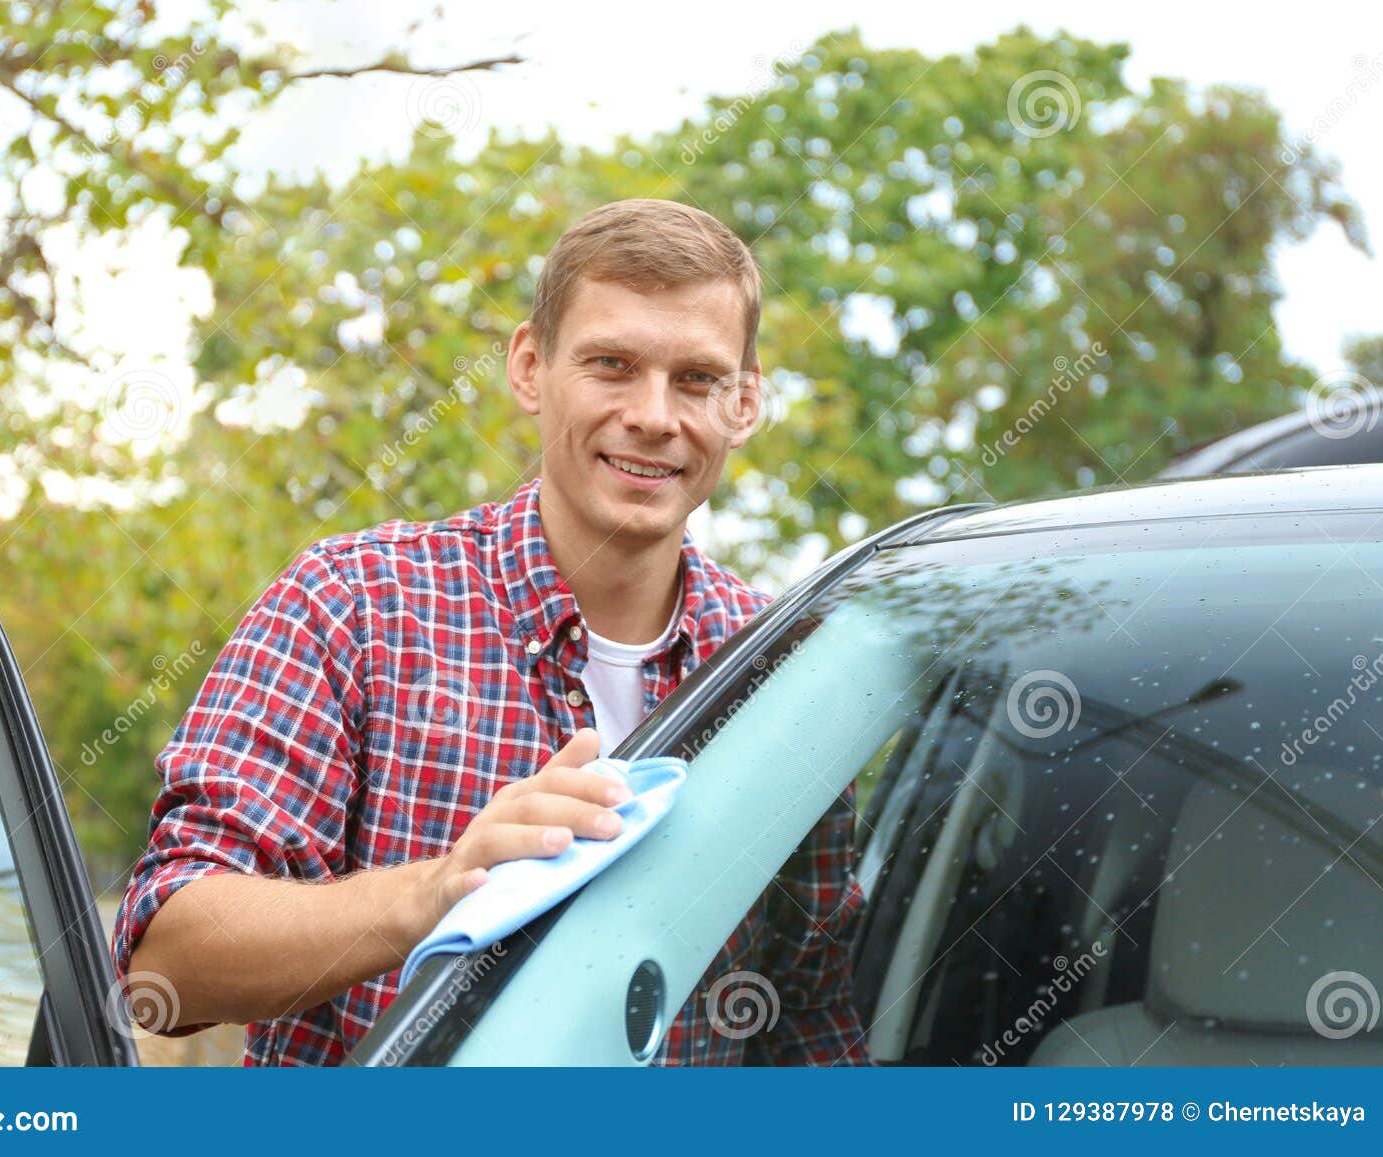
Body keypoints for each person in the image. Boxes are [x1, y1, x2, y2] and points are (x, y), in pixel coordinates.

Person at [113, 198, 866, 1065]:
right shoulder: (353, 604)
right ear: (529, 366)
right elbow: (162, 963)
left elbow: (809, 1016)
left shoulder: (785, 669)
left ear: (745, 400)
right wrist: (439, 891)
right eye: (612, 365)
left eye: (696, 378)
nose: (655, 415)